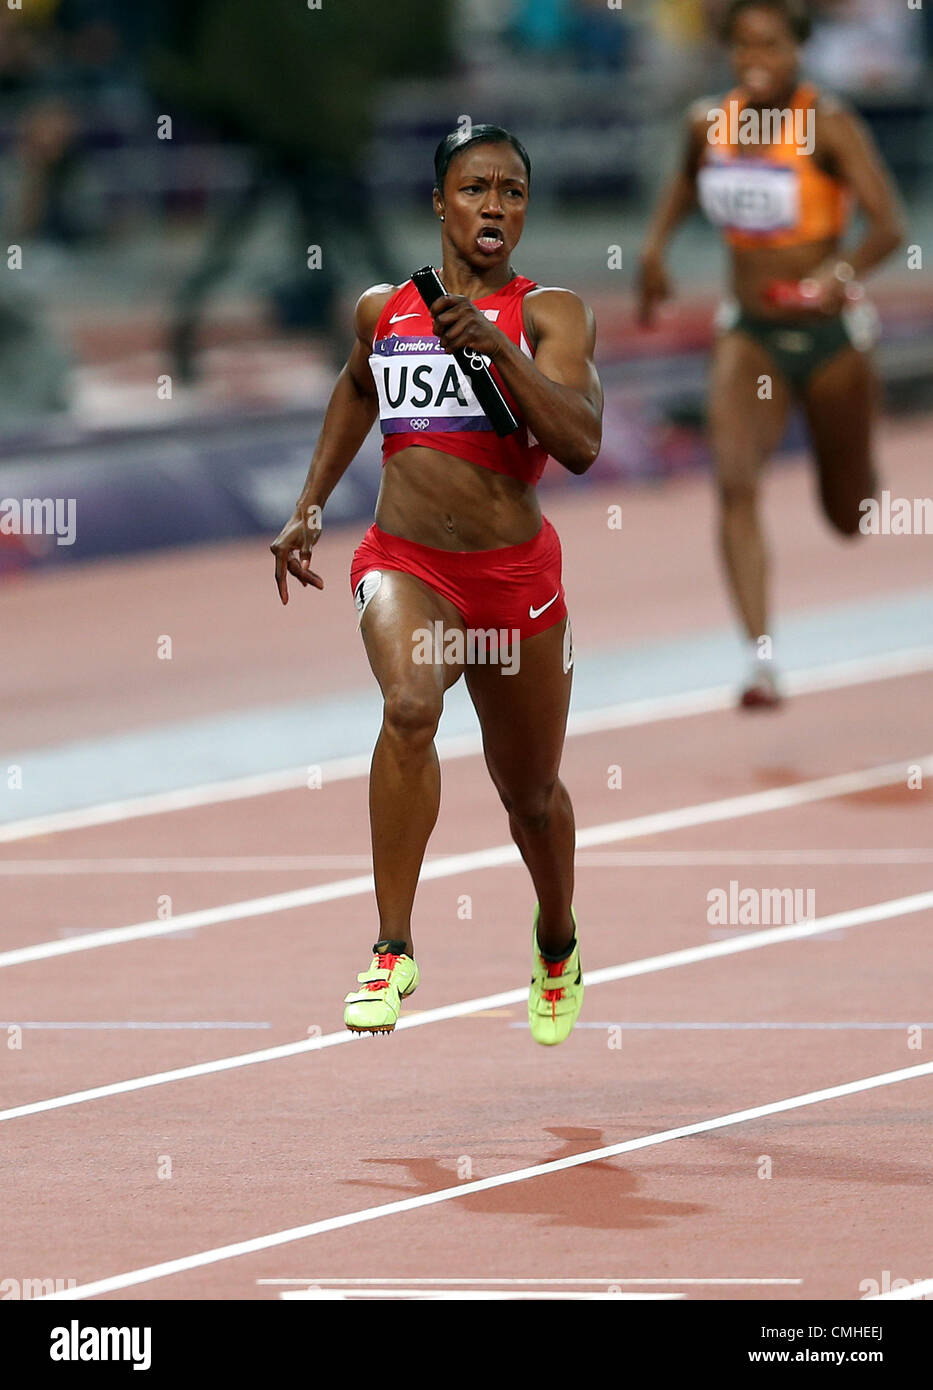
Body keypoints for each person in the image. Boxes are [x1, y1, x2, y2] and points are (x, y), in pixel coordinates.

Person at [271, 125, 603, 1044]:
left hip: (514, 583)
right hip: (405, 563)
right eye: (474, 189)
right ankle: (391, 948)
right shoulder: (385, 310)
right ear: (439, 204)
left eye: (511, 192)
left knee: (529, 795)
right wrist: (308, 505)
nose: (494, 205)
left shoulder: (550, 315)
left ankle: (555, 938)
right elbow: (355, 388)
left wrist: (497, 354)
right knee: (409, 708)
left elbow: (578, 442)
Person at [637, 0, 904, 707]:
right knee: (734, 483)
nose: (755, 58)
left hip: (830, 340)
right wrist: (654, 251)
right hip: (747, 333)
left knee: (847, 517)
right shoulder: (707, 122)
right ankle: (761, 659)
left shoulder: (829, 124)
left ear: (798, 50)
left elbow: (888, 225)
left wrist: (836, 275)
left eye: (772, 45)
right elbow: (683, 184)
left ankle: (855, 469)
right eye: (743, 45)